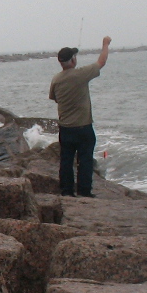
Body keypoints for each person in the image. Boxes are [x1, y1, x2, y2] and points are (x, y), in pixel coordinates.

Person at [48, 37, 110, 197]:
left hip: (65, 128)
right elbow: (101, 62)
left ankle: (67, 192)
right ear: (73, 60)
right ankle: (84, 192)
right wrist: (105, 44)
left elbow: (54, 98)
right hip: (83, 127)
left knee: (66, 161)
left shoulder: (56, 79)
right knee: (85, 160)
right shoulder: (81, 74)